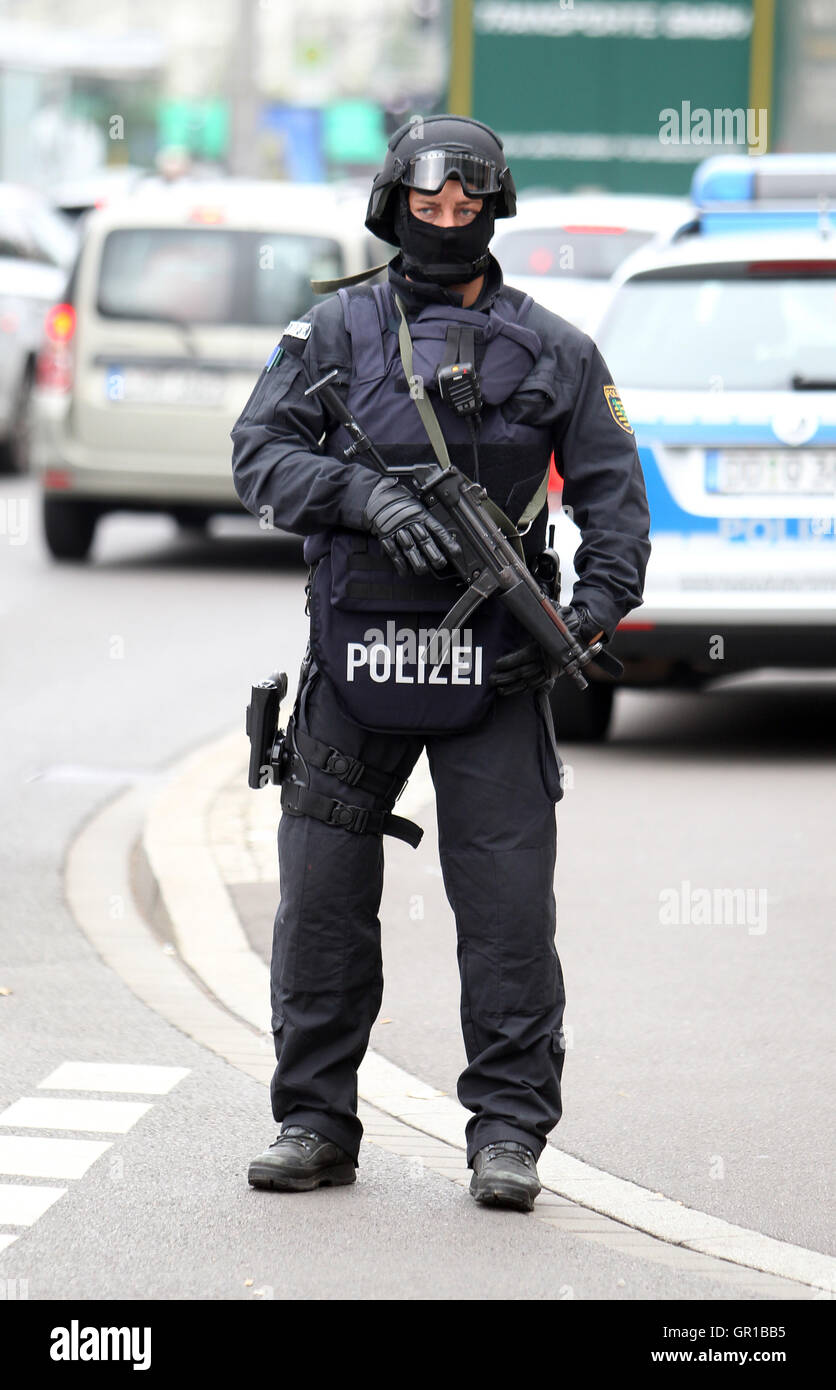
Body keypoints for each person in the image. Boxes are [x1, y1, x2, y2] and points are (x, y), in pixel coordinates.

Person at [231, 115, 650, 1212]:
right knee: (321, 903)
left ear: (493, 207)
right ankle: (312, 1119)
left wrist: (585, 617)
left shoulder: (556, 350)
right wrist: (360, 493)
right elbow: (256, 456)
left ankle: (506, 1131)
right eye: (429, 204)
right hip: (353, 659)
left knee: (508, 911)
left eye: (469, 205)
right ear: (393, 205)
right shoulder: (330, 333)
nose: (448, 221)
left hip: (496, 670)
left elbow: (614, 505)